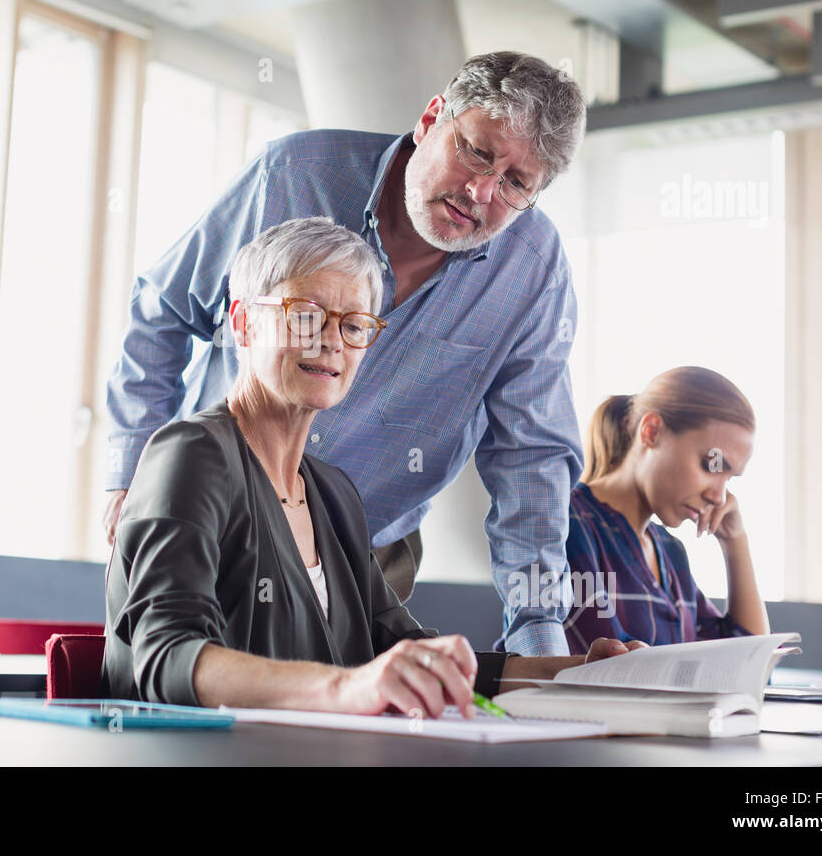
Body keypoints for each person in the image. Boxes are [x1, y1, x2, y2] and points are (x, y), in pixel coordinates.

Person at [104, 51, 588, 656]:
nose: (480, 192)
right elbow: (162, 310)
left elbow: (532, 456)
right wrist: (131, 476)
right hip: (214, 513)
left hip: (367, 551)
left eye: (516, 184)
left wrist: (540, 641)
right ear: (432, 118)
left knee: (352, 736)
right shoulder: (295, 174)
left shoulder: (533, 268)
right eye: (476, 151)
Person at [103, 218, 643, 715]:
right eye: (305, 315)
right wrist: (349, 687)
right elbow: (166, 658)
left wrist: (574, 674)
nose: (331, 342)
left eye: (354, 325)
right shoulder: (191, 454)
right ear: (243, 323)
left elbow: (404, 651)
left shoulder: (332, 493)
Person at [552, 366, 769, 652]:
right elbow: (617, 665)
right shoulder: (568, 522)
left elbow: (749, 658)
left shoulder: (670, 550)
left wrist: (735, 541)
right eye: (710, 465)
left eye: (729, 478)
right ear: (651, 431)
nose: (719, 497)